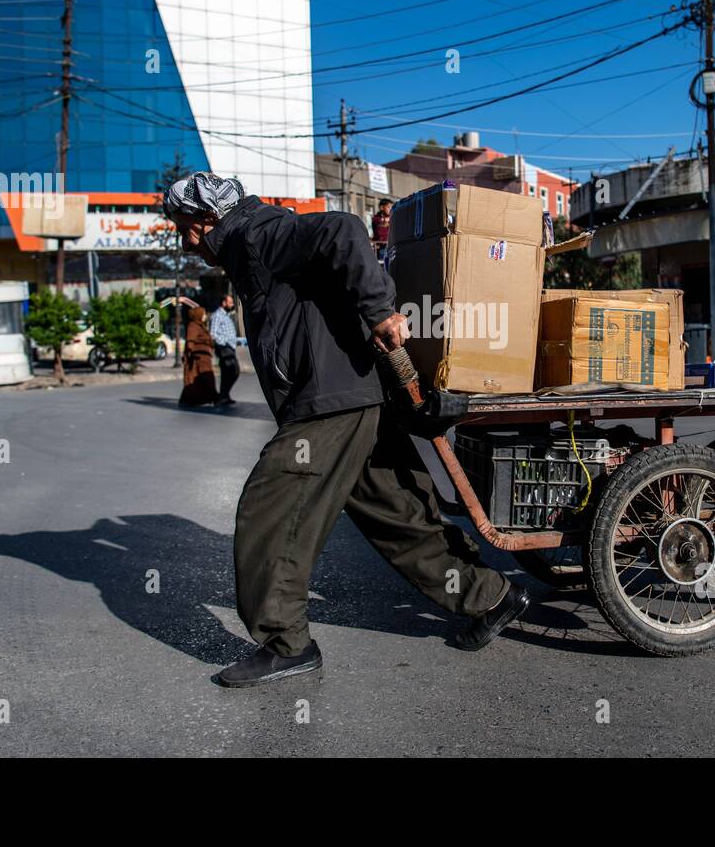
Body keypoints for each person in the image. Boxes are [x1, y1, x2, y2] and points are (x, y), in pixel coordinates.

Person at [162, 172, 527, 688]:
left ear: (202, 222)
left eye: (183, 229)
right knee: (396, 514)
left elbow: (344, 230)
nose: (184, 242)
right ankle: (491, 596)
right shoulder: (248, 245)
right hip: (351, 397)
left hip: (327, 405)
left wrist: (379, 311)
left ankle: (286, 644)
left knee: (270, 510)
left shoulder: (253, 233)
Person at [177, 299, 218, 407]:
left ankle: (188, 399)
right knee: (206, 377)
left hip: (203, 356)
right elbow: (190, 340)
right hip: (199, 357)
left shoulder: (200, 325)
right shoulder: (193, 326)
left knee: (196, 378)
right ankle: (215, 396)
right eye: (203, 314)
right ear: (198, 314)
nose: (205, 316)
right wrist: (188, 354)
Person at [210, 294, 240, 407]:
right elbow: (212, 334)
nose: (232, 304)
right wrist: (224, 343)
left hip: (230, 348)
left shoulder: (226, 315)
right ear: (223, 303)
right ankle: (223, 396)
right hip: (224, 348)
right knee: (233, 371)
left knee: (228, 373)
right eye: (230, 302)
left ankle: (224, 396)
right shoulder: (217, 315)